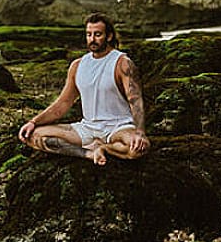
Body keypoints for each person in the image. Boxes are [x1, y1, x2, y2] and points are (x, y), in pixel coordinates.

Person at [18, 13, 150, 165]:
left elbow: (136, 101)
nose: (92, 39)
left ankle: (105, 148)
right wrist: (33, 122)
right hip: (87, 129)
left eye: (98, 34)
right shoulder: (77, 65)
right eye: (89, 34)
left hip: (118, 128)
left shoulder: (122, 63)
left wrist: (140, 132)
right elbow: (62, 104)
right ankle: (89, 153)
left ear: (109, 36)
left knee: (138, 149)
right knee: (33, 136)